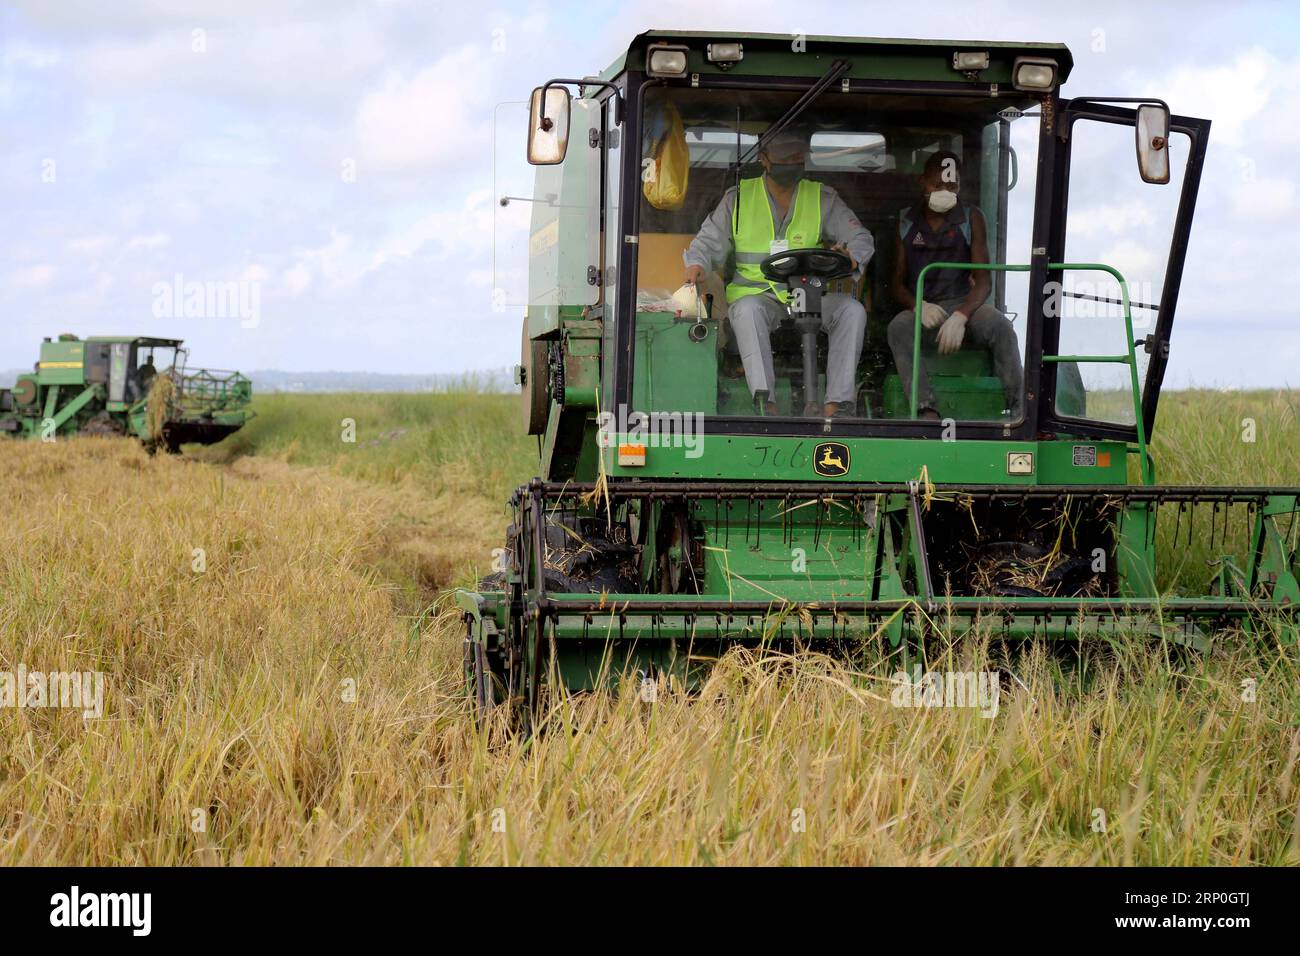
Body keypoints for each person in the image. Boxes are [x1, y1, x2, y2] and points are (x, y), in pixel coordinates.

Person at [683, 129, 874, 417]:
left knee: (851, 310)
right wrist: (697, 264)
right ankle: (766, 404)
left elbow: (860, 238)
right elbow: (708, 242)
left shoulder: (822, 197)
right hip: (757, 297)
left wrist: (853, 257)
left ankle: (836, 406)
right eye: (785, 158)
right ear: (764, 160)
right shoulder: (738, 198)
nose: (793, 163)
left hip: (810, 296)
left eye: (798, 157)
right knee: (747, 311)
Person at [887, 150, 1023, 420]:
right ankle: (926, 407)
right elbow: (895, 284)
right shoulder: (905, 221)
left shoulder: (972, 217)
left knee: (1001, 327)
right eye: (938, 186)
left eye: (952, 186)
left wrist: (962, 315)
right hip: (926, 310)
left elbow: (984, 281)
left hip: (965, 304)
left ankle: (1018, 409)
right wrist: (918, 306)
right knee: (898, 327)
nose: (945, 192)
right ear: (922, 183)